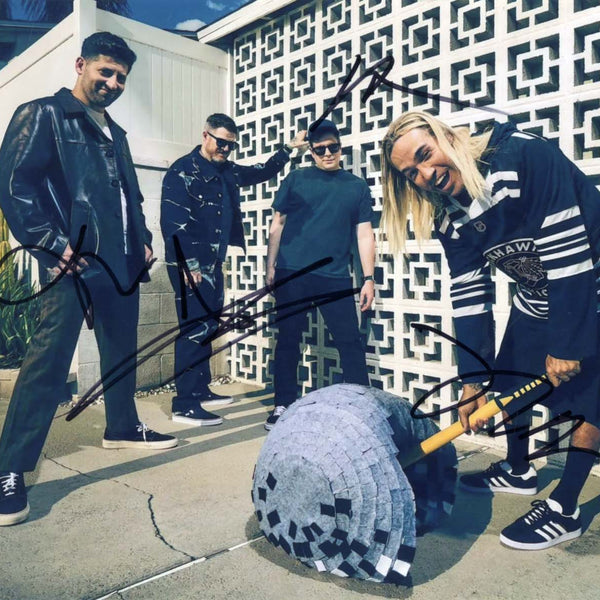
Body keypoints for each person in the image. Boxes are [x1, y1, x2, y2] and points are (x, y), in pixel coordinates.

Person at [380, 110, 600, 550]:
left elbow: (568, 253)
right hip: (537, 295)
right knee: (506, 381)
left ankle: (566, 508)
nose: (425, 174)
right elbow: (469, 296)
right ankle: (518, 469)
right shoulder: (449, 218)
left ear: (447, 137)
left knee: (590, 399)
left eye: (425, 154)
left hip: (588, 287)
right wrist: (472, 381)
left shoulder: (522, 157)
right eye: (411, 173)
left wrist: (567, 344)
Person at [0, 32, 178, 527]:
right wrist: (50, 243)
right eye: (105, 71)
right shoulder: (44, 114)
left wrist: (142, 238)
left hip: (120, 260)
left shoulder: (115, 133)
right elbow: (14, 184)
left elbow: (129, 195)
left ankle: (122, 427)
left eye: (121, 77)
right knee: (48, 361)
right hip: (71, 260)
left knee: (121, 350)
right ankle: (9, 468)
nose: (113, 83)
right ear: (81, 65)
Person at [160, 113, 307, 426]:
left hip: (213, 262)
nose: (225, 149)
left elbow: (262, 171)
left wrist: (289, 149)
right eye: (221, 142)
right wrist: (190, 264)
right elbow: (172, 222)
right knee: (193, 331)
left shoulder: (226, 171)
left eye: (230, 145)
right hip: (190, 265)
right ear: (205, 135)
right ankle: (184, 404)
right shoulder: (182, 171)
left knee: (207, 327)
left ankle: (199, 390)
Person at [265, 119, 376, 430]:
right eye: (320, 149)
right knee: (288, 340)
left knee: (349, 341)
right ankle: (282, 403)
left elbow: (364, 234)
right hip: (292, 271)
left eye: (333, 147)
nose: (328, 153)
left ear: (340, 147)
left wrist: (368, 278)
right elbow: (278, 224)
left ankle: (360, 407)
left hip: (335, 275)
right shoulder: (295, 179)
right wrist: (270, 266)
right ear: (312, 151)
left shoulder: (356, 186)